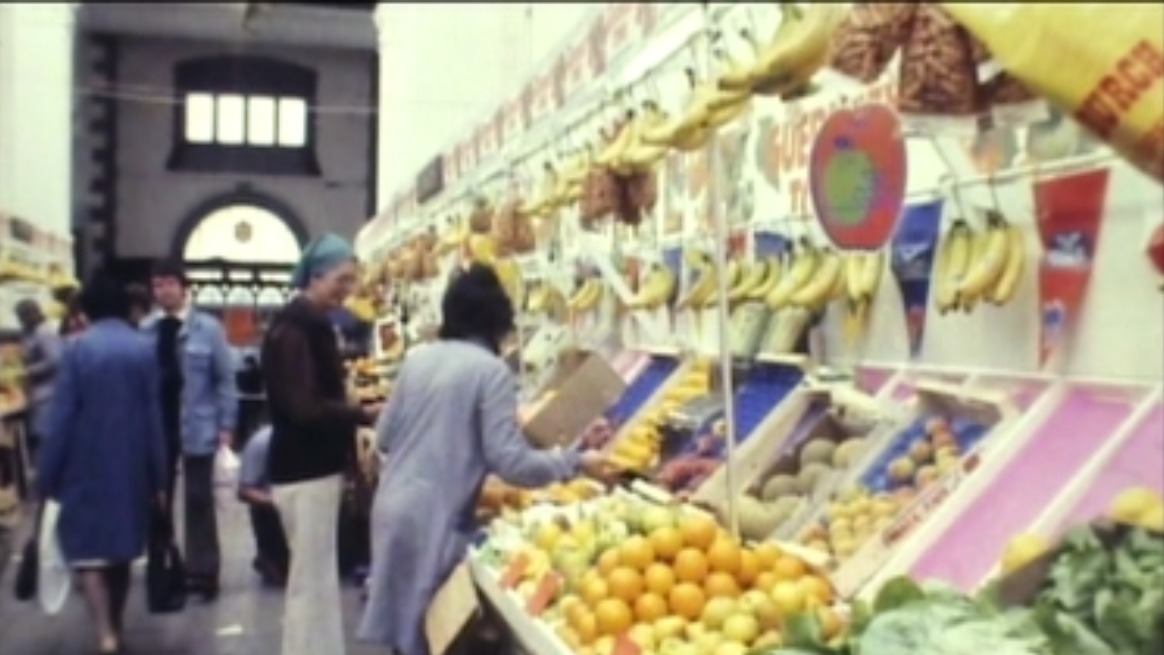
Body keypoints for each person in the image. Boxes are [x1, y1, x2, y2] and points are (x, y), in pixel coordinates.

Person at [358, 264, 618, 655]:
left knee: (405, 636)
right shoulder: (490, 371)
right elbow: (510, 463)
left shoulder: (417, 360)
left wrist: (451, 443)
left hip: (392, 507)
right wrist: (575, 461)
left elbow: (386, 437)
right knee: (430, 635)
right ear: (498, 322)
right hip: (433, 519)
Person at [260, 233, 380, 655]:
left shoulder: (303, 324)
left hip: (306, 467)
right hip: (305, 469)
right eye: (340, 280)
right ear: (315, 276)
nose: (347, 291)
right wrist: (359, 413)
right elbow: (303, 406)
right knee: (311, 584)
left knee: (316, 580)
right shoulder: (297, 328)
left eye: (351, 281)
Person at [37, 273, 167, 655]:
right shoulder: (143, 349)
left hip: (84, 462)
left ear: (87, 310)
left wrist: (47, 473)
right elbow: (154, 417)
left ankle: (104, 632)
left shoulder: (77, 350)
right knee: (121, 548)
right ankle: (117, 620)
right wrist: (159, 474)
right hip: (131, 464)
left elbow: (61, 419)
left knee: (87, 551)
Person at [141, 259, 237, 600]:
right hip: (157, 425)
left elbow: (225, 380)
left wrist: (227, 424)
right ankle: (163, 563)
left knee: (199, 499)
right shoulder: (147, 330)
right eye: (157, 285)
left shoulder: (207, 329)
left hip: (197, 423)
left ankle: (203, 571)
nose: (163, 291)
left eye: (169, 283)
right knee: (157, 498)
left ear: (184, 288)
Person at [237, 424, 290, 586]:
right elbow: (244, 491)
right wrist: (275, 501)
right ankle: (269, 555)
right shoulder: (260, 443)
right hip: (271, 504)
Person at [14, 299, 63, 461]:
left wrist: (28, 371)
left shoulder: (44, 333)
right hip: (38, 394)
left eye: (23, 316)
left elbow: (56, 360)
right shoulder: (30, 333)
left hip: (48, 394)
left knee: (46, 437)